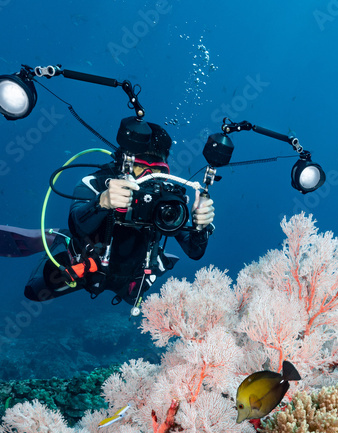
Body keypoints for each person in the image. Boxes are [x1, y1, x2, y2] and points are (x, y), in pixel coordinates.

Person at [24, 122, 215, 306]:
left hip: (132, 277)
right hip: (87, 266)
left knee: (135, 296)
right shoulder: (97, 183)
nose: (149, 178)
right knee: (36, 290)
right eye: (140, 168)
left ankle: (158, 261)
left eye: (157, 171)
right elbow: (77, 226)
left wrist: (200, 227)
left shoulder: (167, 199)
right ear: (124, 165)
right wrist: (103, 202)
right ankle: (59, 238)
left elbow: (194, 251)